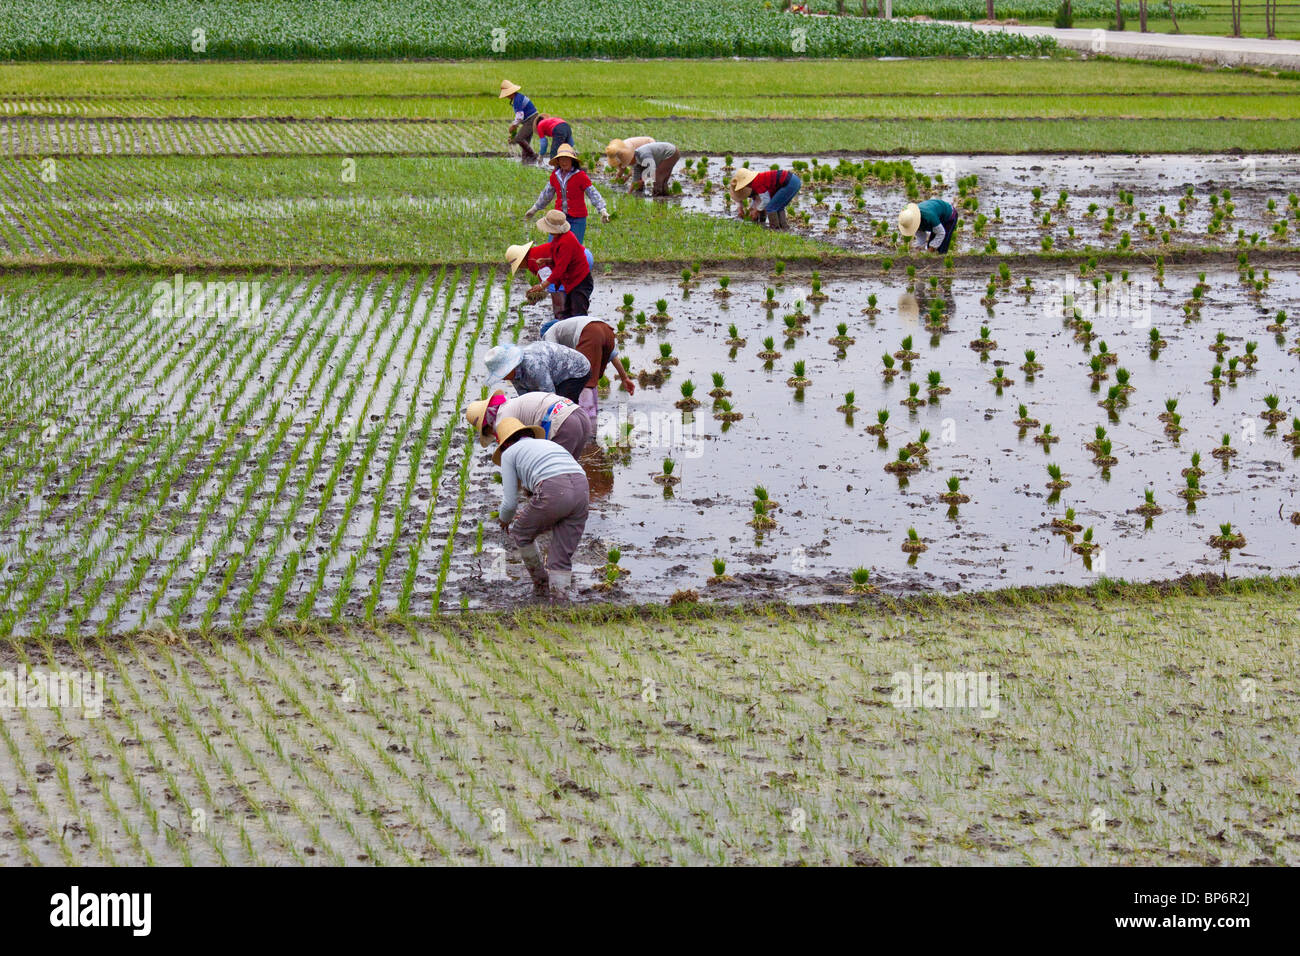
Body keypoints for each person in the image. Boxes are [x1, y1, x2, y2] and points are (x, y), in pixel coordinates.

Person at [494, 417, 591, 594]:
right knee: (560, 558)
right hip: (582, 488)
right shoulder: (548, 445)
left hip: (554, 489)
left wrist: (504, 520)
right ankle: (560, 599)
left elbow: (509, 503)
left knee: (521, 533)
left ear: (505, 443)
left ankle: (541, 584)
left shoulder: (509, 453)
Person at [543, 315, 635, 425]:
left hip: (590, 331)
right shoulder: (568, 330)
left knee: (584, 379)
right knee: (593, 377)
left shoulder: (549, 333)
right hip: (607, 331)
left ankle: (587, 421)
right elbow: (613, 356)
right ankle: (593, 412)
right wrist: (624, 378)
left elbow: (554, 360)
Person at [466, 389, 593, 458]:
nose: (492, 435)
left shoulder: (502, 421)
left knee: (554, 475)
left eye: (485, 432)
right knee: (571, 471)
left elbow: (520, 455)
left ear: (487, 426)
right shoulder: (511, 404)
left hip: (564, 424)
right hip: (579, 414)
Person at [523, 144, 609, 244]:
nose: (564, 162)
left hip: (577, 218)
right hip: (558, 218)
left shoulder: (580, 176)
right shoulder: (555, 176)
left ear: (572, 160)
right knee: (553, 245)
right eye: (561, 159)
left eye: (567, 159)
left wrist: (602, 210)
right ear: (558, 161)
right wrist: (535, 208)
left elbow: (593, 193)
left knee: (574, 247)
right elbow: (546, 194)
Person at [529, 210, 593, 319]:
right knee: (567, 314)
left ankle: (582, 334)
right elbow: (559, 259)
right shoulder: (557, 238)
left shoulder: (566, 241)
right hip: (571, 281)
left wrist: (542, 286)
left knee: (578, 314)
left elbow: (560, 268)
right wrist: (547, 260)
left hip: (580, 281)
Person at [483, 340, 590, 401]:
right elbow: (525, 398)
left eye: (503, 373)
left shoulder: (533, 366)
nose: (503, 378)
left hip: (576, 371)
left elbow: (550, 396)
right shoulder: (513, 374)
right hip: (554, 373)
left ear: (510, 366)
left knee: (563, 404)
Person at [730, 167, 802, 229]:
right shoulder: (758, 179)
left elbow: (766, 200)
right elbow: (759, 200)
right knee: (779, 207)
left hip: (789, 182)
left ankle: (775, 229)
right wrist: (753, 209)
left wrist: (756, 211)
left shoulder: (756, 183)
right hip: (795, 180)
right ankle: (784, 227)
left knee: (770, 208)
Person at [607, 139, 680, 196]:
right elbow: (635, 180)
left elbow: (652, 168)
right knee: (662, 180)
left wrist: (642, 181)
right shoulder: (636, 164)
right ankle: (665, 195)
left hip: (671, 153)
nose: (628, 165)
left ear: (631, 158)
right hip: (663, 156)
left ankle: (658, 198)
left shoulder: (643, 155)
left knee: (658, 177)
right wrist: (629, 193)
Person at [500, 79, 541, 162]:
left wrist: (513, 126)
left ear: (511, 92)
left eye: (507, 94)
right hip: (529, 120)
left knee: (519, 138)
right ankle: (526, 161)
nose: (507, 96)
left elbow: (520, 116)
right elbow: (520, 116)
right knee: (525, 142)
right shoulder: (517, 98)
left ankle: (533, 155)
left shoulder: (517, 99)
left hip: (531, 119)